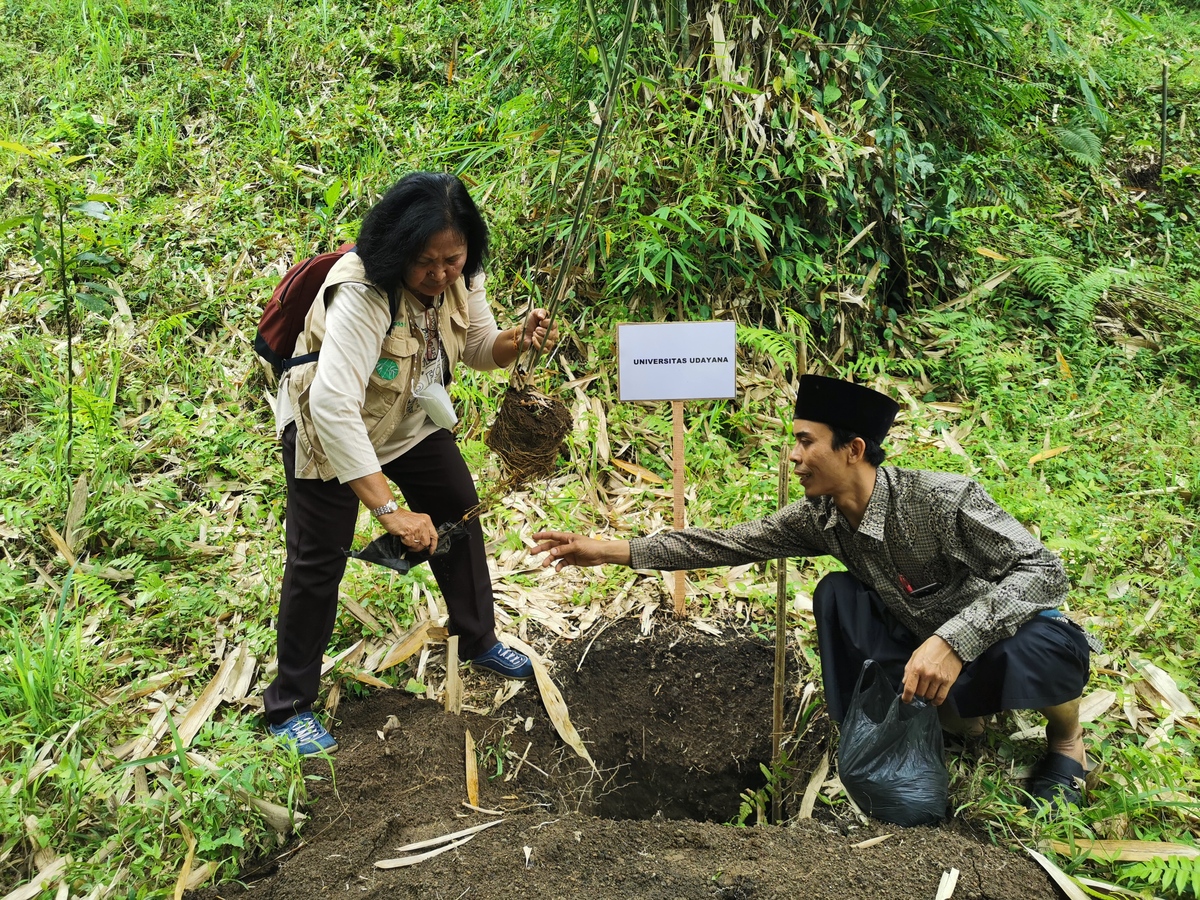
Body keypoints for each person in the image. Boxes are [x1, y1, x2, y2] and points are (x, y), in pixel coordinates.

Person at [532, 375, 1099, 809]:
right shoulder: (822, 518)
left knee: (1033, 648)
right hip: (924, 643)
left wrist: (955, 640)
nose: (795, 457)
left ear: (853, 449)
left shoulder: (941, 500)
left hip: (1005, 631)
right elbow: (727, 544)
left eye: (806, 443)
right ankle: (943, 720)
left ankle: (1066, 740)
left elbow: (1043, 569)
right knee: (838, 594)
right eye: (794, 443)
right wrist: (608, 550)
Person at [266, 172, 556, 755]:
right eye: (428, 262)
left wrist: (516, 340)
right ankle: (289, 705)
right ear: (398, 249)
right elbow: (331, 404)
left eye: (454, 259)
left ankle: (476, 639)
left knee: (458, 506)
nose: (442, 274)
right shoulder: (362, 293)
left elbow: (477, 348)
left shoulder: (462, 274)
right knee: (318, 561)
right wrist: (391, 511)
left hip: (403, 419)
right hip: (329, 430)